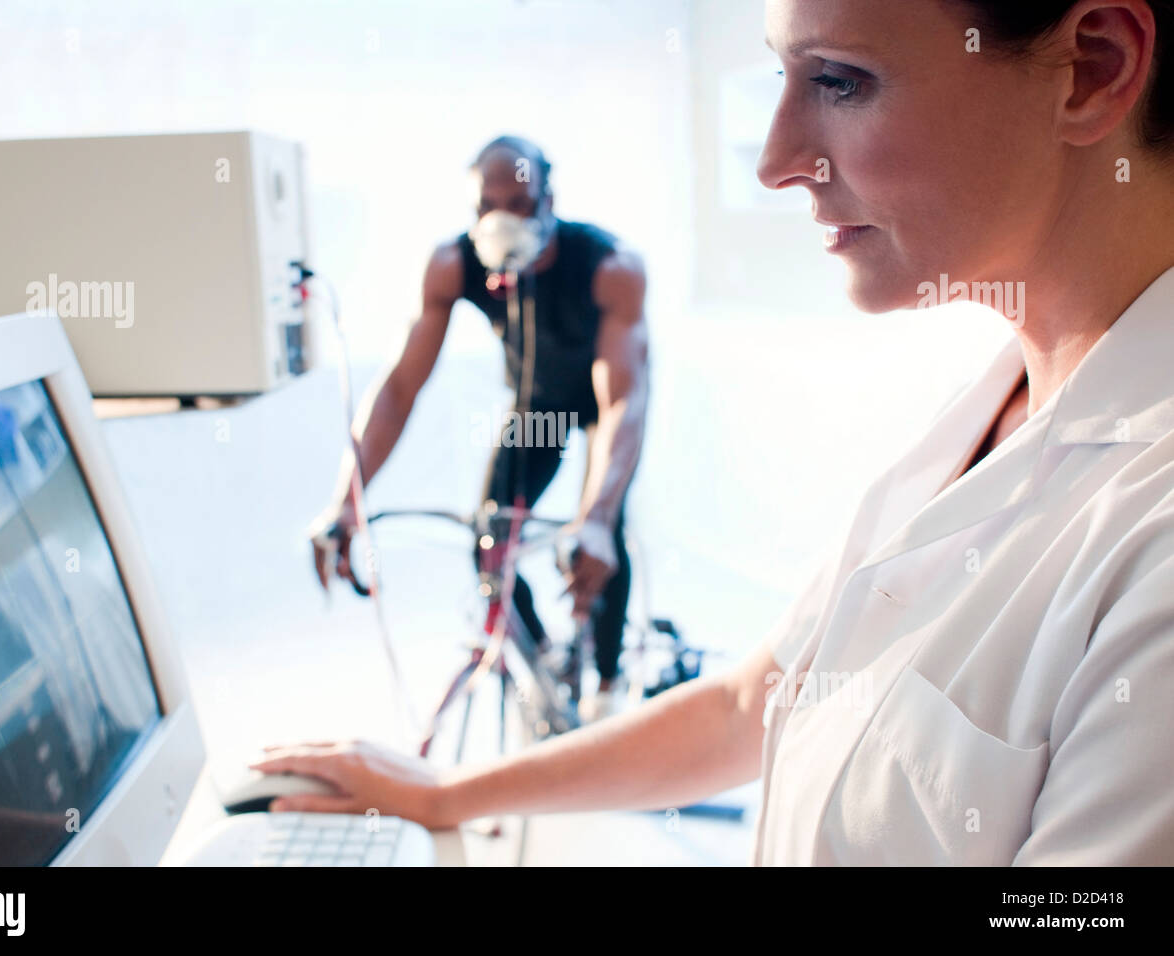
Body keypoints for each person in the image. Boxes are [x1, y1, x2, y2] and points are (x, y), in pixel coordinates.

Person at [270, 0, 1174, 864]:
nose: (775, 160)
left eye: (841, 81)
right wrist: (450, 793)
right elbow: (753, 703)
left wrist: (596, 515)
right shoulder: (993, 405)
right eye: (782, 76)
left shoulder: (1152, 537)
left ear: (1093, 68)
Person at [309, 136, 649, 721]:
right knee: (492, 539)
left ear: (549, 200)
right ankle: (540, 658)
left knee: (600, 539)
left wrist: (594, 517)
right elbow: (398, 389)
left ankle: (609, 683)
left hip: (603, 402)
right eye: (487, 207)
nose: (502, 221)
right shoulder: (453, 264)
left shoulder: (608, 267)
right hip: (539, 408)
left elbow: (622, 398)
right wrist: (346, 501)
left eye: (519, 204)